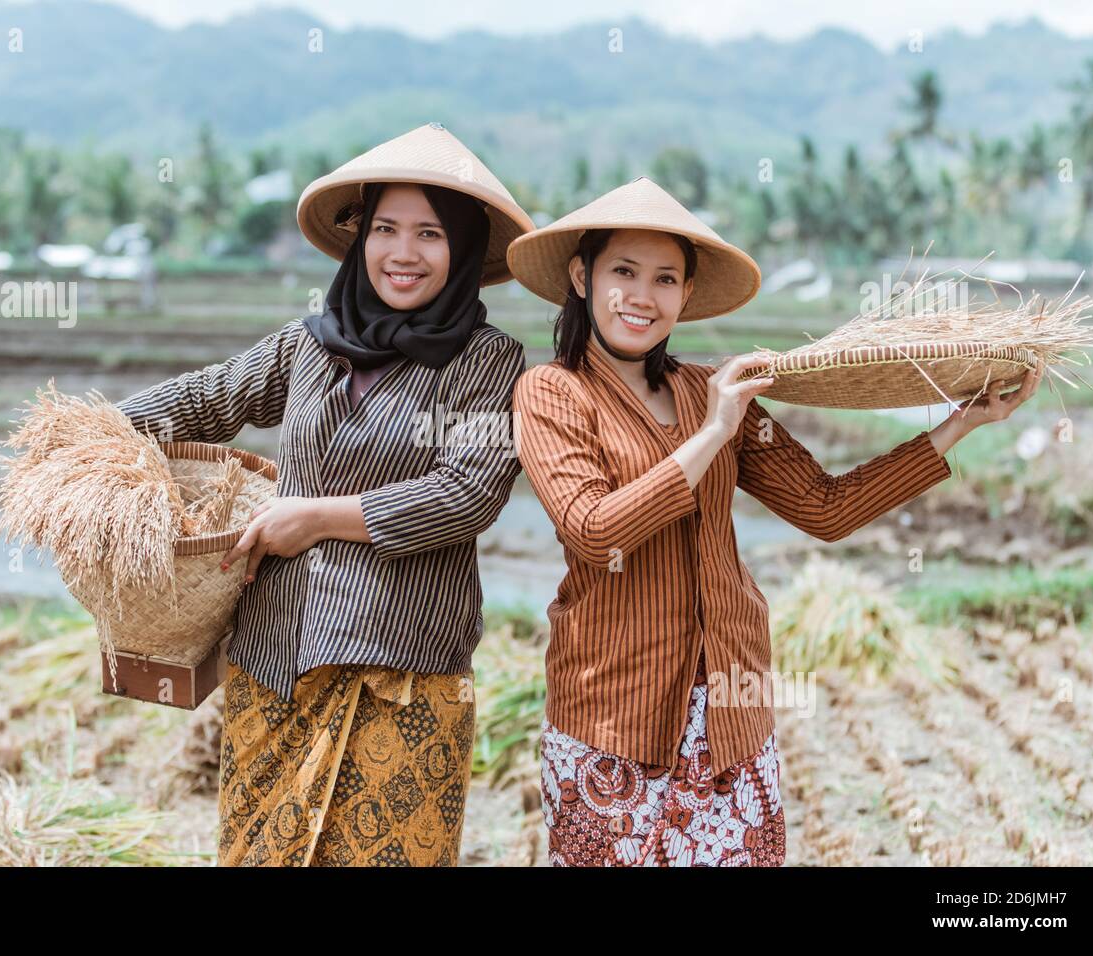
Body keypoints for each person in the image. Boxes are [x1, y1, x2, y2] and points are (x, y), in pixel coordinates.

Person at [506, 177, 1043, 867]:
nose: (643, 296)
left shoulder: (711, 389)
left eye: (665, 278)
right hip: (614, 717)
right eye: (623, 272)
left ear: (686, 295)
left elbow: (826, 508)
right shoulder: (553, 392)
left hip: (732, 715)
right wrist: (713, 432)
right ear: (582, 277)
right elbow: (594, 530)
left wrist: (955, 428)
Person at [114, 124, 535, 866]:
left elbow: (468, 492)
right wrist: (96, 430)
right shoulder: (307, 346)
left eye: (430, 234)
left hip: (402, 671)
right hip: (274, 660)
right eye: (386, 229)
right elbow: (211, 397)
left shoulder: (488, 361)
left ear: (462, 248)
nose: (403, 253)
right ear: (359, 238)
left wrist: (314, 520)